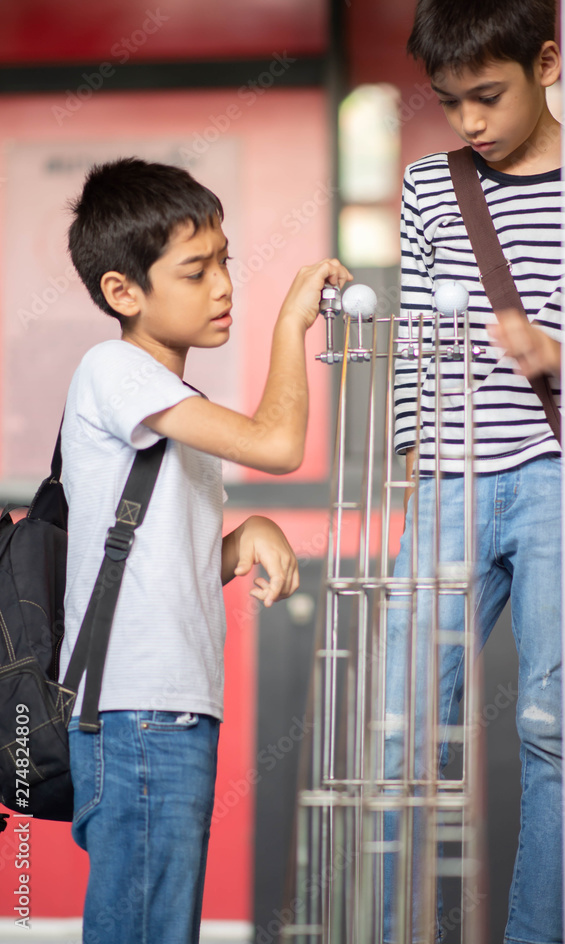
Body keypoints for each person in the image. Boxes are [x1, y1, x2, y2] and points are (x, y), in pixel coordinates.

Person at [59, 157, 352, 944]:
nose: (225, 285)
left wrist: (241, 538)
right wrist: (292, 323)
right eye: (196, 271)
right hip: (141, 713)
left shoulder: (170, 409)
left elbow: (152, 557)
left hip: (163, 711)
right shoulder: (115, 371)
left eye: (224, 259)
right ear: (124, 292)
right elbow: (279, 443)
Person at [385, 0, 563, 942]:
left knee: (553, 733)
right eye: (450, 102)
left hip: (557, 481)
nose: (469, 124)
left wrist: (553, 352)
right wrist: (414, 470)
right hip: (447, 483)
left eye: (486, 96)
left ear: (543, 61)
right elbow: (412, 338)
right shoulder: (428, 187)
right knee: (399, 726)